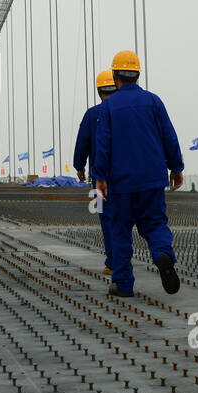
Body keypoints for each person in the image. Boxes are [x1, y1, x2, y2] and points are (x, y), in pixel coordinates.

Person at [91, 51, 184, 297]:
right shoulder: (154, 101)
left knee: (120, 230)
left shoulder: (108, 106)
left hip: (120, 182)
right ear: (138, 74)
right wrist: (176, 167)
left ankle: (123, 284)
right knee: (154, 224)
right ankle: (162, 253)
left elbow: (103, 144)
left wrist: (100, 177)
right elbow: (168, 136)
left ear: (114, 75)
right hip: (152, 178)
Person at [74, 69, 118, 276]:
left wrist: (79, 167)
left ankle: (113, 261)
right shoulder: (125, 111)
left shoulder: (92, 114)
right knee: (125, 217)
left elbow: (82, 143)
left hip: (100, 178)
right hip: (126, 176)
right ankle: (124, 256)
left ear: (99, 91)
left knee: (106, 218)